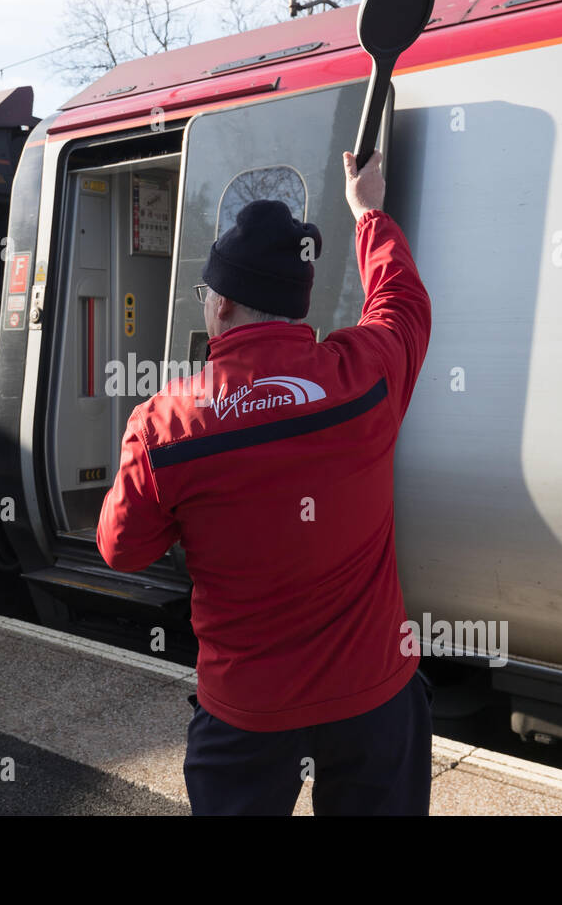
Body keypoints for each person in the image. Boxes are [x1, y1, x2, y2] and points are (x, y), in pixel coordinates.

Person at [96, 149, 433, 815]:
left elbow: (121, 549)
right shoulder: (363, 375)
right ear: (297, 303)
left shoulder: (165, 425)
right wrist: (368, 213)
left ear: (219, 306)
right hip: (374, 699)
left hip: (249, 712)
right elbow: (401, 302)